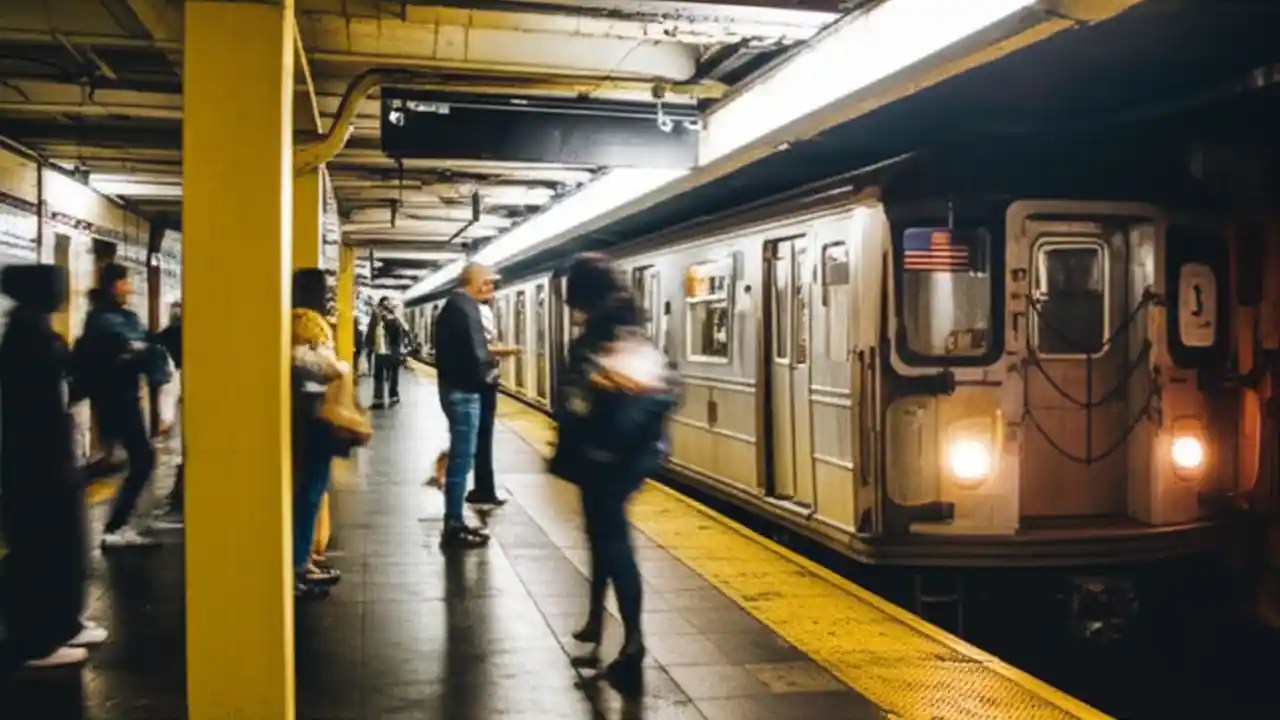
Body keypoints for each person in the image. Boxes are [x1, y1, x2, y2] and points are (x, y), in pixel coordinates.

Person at [551, 254, 677, 677]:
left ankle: (633, 644)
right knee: (599, 536)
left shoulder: (611, 331)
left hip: (607, 456)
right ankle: (596, 621)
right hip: (610, 454)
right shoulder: (624, 324)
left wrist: (590, 412)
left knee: (613, 544)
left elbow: (606, 392)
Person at [0, 265, 106, 675]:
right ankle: (37, 641)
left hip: (42, 463)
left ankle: (61, 625)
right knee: (45, 550)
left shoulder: (30, 332)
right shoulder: (32, 340)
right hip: (40, 467)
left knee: (62, 548)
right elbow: (43, 409)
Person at [71, 264, 171, 549]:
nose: (130, 288)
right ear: (115, 285)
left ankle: (116, 523)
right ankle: (115, 526)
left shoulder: (118, 317)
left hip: (123, 397)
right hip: (115, 398)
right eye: (126, 282)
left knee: (123, 459)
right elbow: (132, 347)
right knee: (142, 458)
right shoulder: (104, 320)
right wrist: (142, 351)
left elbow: (146, 345)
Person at [432, 263, 500, 549]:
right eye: (489, 282)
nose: (492, 288)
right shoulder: (466, 307)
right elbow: (476, 353)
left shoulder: (453, 306)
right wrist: (489, 375)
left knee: (462, 457)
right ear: (479, 283)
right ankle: (454, 525)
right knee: (462, 460)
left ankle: (455, 520)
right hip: (465, 393)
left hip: (453, 389)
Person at [290, 269, 347, 599]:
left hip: (301, 415)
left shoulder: (290, 319)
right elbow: (318, 365)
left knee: (307, 493)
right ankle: (298, 566)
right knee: (310, 493)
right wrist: (340, 368)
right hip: (314, 416)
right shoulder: (308, 322)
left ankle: (302, 560)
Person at [153, 301, 183, 528]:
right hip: (179, 397)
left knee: (177, 453)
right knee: (178, 452)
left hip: (176, 396)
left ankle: (177, 502)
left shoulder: (163, 338)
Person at [365, 297, 407, 409]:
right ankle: (388, 397)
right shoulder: (390, 318)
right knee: (387, 375)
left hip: (386, 351)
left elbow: (371, 332)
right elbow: (371, 331)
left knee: (385, 376)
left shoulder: (386, 318)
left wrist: (369, 347)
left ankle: (385, 398)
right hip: (387, 351)